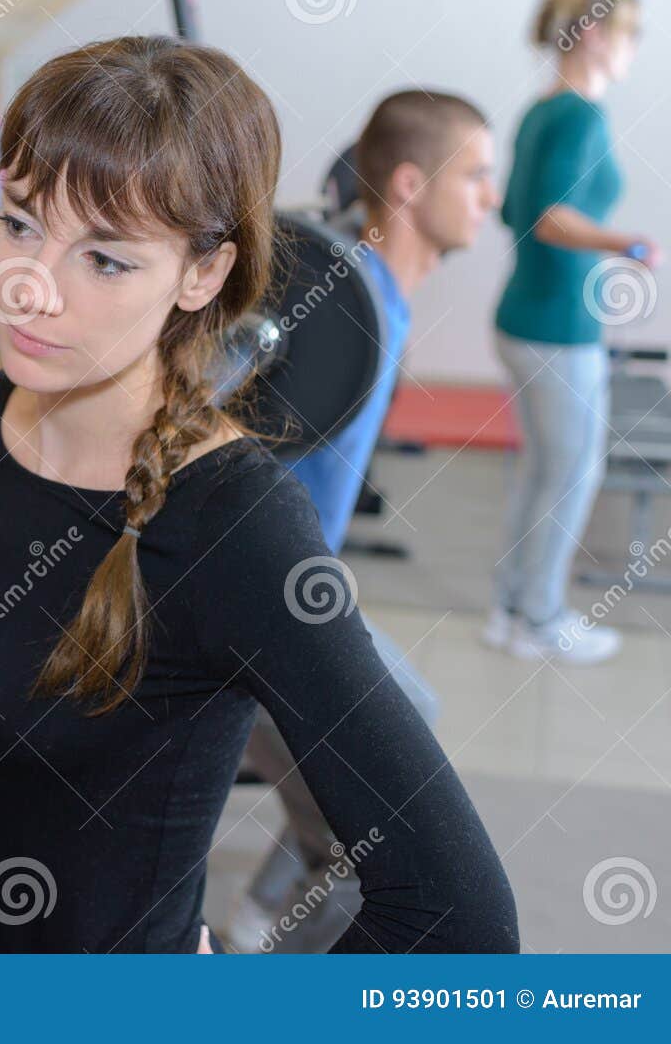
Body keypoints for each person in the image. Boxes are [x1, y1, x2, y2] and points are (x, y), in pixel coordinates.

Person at [0, 36, 518, 954]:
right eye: (24, 223)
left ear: (204, 274)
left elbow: (460, 918)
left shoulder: (234, 523)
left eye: (106, 260)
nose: (30, 287)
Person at [232, 90, 500, 953]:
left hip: (302, 596)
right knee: (388, 839)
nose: (492, 197)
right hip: (254, 609)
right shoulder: (343, 300)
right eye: (480, 175)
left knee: (405, 730)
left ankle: (264, 913)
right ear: (413, 186)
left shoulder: (373, 294)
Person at [489, 0, 659, 666]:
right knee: (574, 472)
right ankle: (543, 617)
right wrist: (625, 243)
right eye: (631, 33)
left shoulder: (543, 109)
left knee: (545, 471)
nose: (635, 48)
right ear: (592, 33)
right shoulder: (581, 116)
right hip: (557, 326)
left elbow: (509, 211)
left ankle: (511, 610)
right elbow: (549, 219)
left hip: (525, 316)